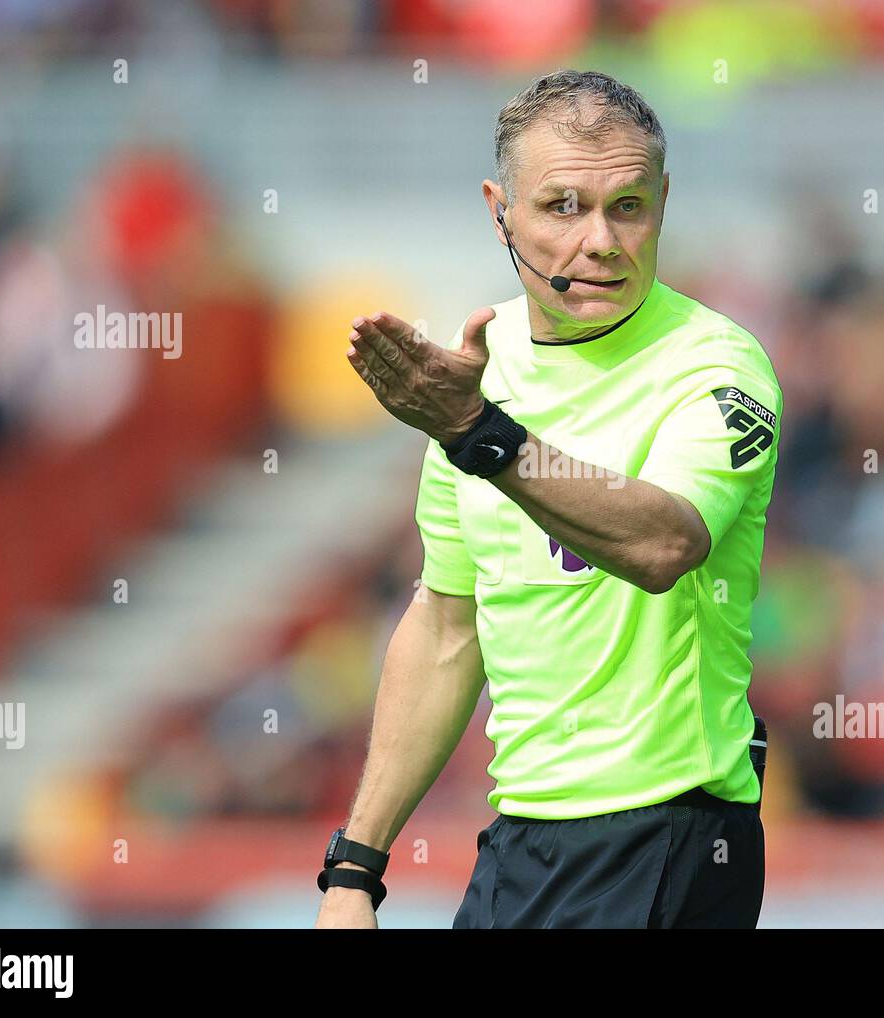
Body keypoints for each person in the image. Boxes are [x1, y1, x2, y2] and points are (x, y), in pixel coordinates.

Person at [315, 69, 780, 929]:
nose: (601, 240)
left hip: (671, 837)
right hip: (524, 838)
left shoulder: (716, 367)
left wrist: (482, 436)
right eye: (562, 206)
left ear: (664, 203)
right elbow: (449, 626)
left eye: (629, 207)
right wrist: (356, 868)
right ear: (500, 210)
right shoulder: (475, 376)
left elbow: (662, 545)